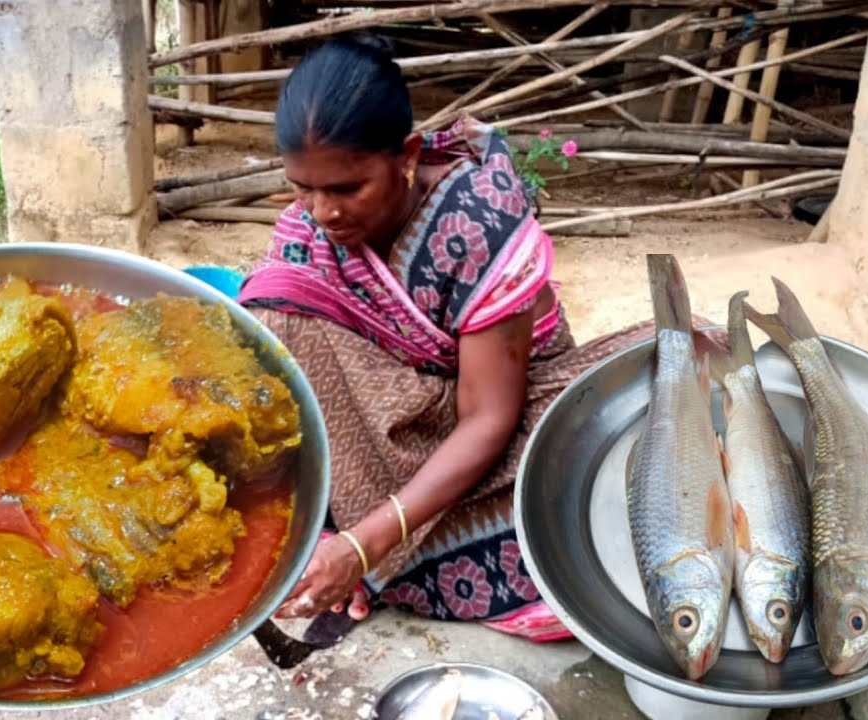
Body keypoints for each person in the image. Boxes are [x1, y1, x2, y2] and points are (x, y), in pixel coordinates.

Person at [237, 34, 658, 641]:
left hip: (509, 421)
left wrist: (364, 544)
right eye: (304, 187)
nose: (323, 212)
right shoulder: (308, 233)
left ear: (407, 155)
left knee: (677, 382)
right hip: (390, 425)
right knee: (277, 316)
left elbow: (488, 419)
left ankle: (373, 542)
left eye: (348, 188)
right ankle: (359, 528)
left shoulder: (476, 224)